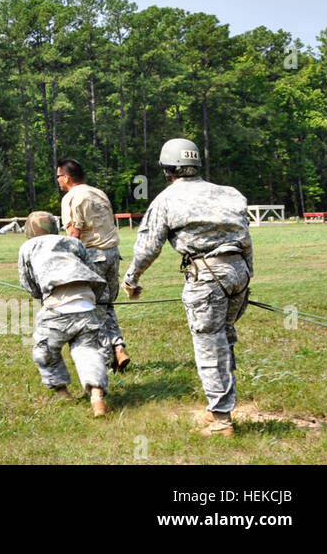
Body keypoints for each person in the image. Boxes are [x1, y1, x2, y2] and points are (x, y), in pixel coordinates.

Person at [123, 139, 252, 438]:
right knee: (225, 337)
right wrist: (246, 276)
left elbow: (148, 247)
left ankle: (221, 419)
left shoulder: (167, 199)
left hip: (206, 275)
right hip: (238, 272)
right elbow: (245, 237)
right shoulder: (229, 193)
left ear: (167, 169)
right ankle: (219, 406)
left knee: (209, 344)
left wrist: (131, 278)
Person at [17, 211, 112, 418]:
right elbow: (89, 269)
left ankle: (62, 393)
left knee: (45, 350)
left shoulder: (28, 247)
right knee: (88, 351)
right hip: (87, 305)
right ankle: (97, 397)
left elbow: (28, 282)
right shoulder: (73, 243)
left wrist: (40, 295)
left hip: (56, 309)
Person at [57, 158, 130, 372]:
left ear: (67, 177)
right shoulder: (98, 193)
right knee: (105, 305)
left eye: (58, 177)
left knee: (91, 309)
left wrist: (66, 263)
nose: (58, 181)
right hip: (112, 255)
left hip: (92, 256)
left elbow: (73, 233)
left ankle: (106, 361)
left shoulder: (72, 197)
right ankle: (118, 346)